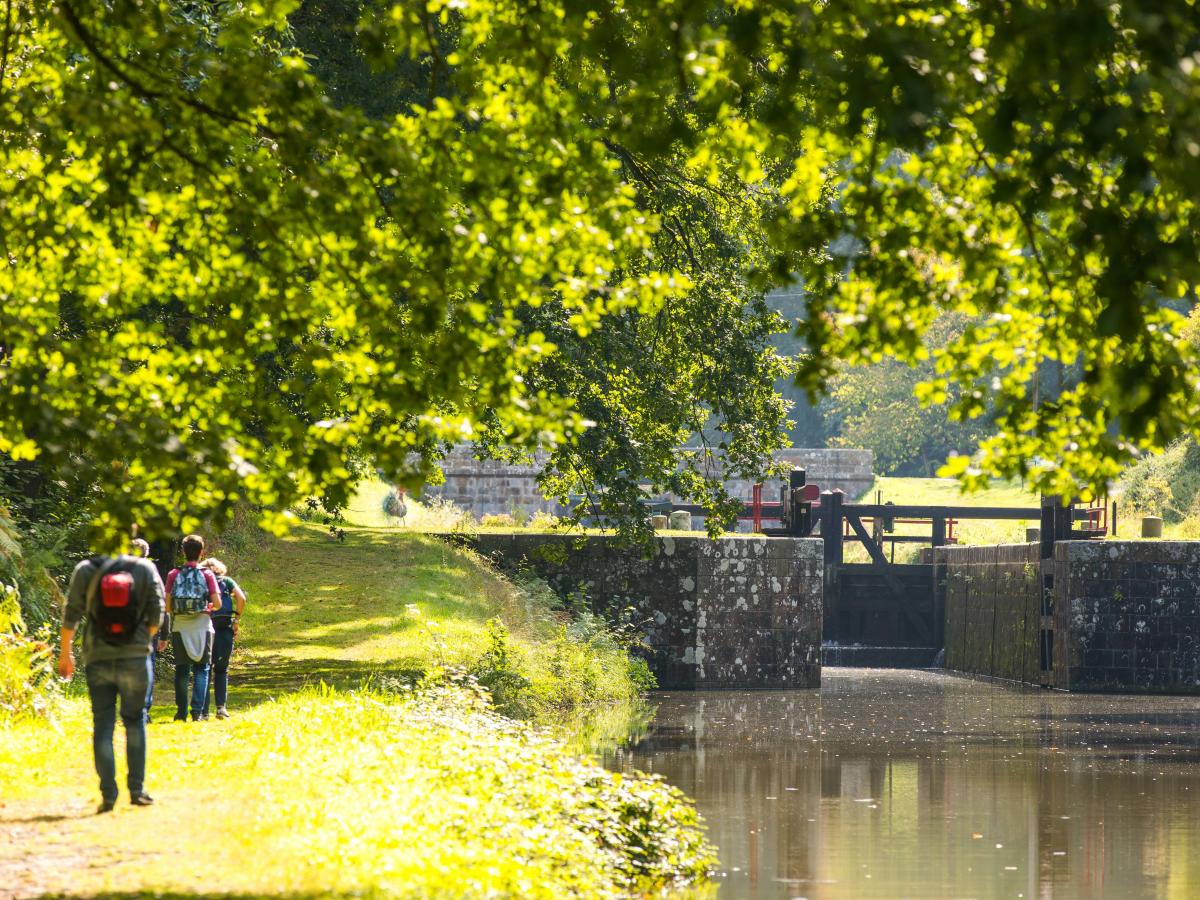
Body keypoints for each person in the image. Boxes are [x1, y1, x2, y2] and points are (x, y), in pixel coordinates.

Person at [58, 548, 164, 813]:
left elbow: (71, 613)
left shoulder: (86, 569)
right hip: (135, 657)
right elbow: (157, 615)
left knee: (103, 724)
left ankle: (108, 795)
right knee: (135, 720)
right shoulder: (144, 569)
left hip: (98, 656)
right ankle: (137, 790)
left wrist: (65, 653)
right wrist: (139, 639)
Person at [160, 534, 220, 722]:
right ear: (202, 552)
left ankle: (181, 713)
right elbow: (217, 603)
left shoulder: (173, 574)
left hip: (180, 626)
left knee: (182, 671)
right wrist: (207, 608)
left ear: (183, 552)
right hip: (203, 626)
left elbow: (167, 606)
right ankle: (197, 712)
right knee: (202, 669)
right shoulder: (207, 574)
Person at [200, 557, 247, 720]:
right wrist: (236, 620)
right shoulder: (227, 581)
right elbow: (241, 598)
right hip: (224, 627)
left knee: (204, 668)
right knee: (221, 669)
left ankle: (203, 711)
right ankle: (221, 708)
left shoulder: (202, 580)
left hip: (205, 627)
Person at [129, 538, 158, 723]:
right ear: (146, 553)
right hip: (146, 626)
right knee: (147, 666)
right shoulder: (150, 570)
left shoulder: (119, 570)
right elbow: (159, 601)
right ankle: (144, 710)